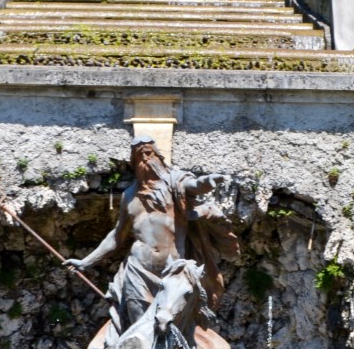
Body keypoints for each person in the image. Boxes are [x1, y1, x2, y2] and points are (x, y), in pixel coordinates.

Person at [66, 138, 237, 334]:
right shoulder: (129, 196)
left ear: (158, 156)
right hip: (138, 271)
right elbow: (116, 236)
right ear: (134, 162)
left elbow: (193, 185)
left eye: (149, 153)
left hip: (172, 271)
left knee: (172, 329)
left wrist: (207, 182)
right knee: (139, 329)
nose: (145, 159)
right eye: (140, 155)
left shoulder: (174, 183)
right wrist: (86, 262)